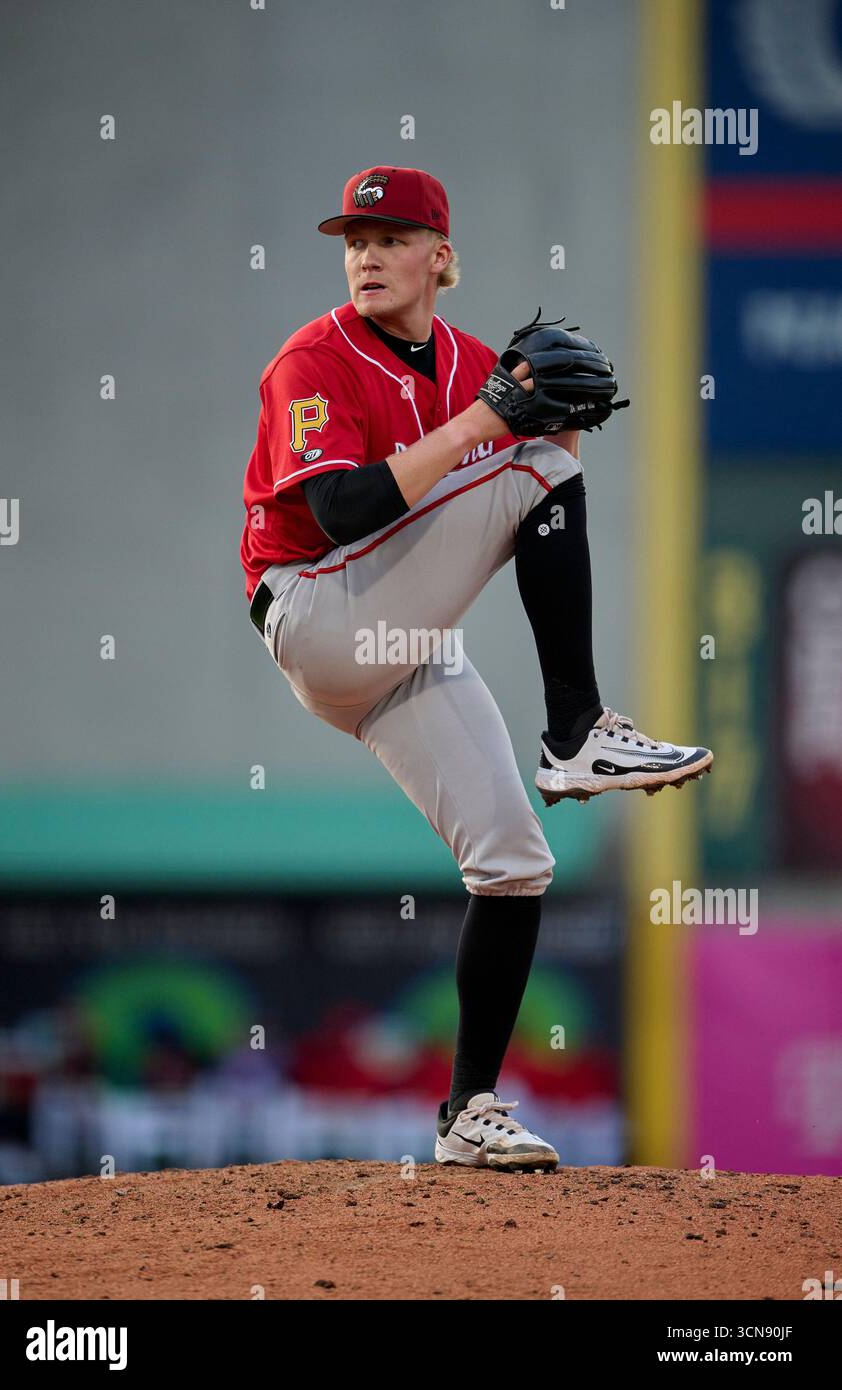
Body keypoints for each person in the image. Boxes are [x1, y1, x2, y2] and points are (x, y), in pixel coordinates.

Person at [240, 165, 712, 1171]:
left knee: (512, 859)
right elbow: (340, 515)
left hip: (399, 647)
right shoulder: (311, 358)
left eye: (392, 235)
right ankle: (577, 728)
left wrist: (518, 417)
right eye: (353, 238)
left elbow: (482, 456)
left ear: (439, 258)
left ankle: (468, 1114)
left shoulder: (463, 362)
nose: (365, 253)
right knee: (538, 455)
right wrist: (489, 428)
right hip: (318, 608)